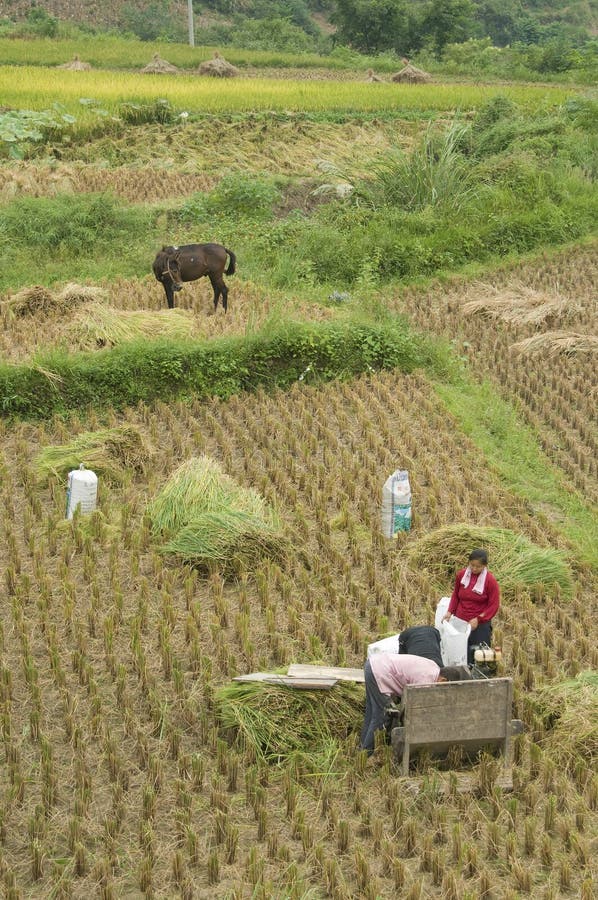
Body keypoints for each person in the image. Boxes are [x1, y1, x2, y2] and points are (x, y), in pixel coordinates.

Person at [360, 653, 465, 754]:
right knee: (382, 716)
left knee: (372, 713)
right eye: (446, 687)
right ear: (443, 680)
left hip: (374, 663)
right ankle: (366, 753)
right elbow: (415, 708)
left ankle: (362, 749)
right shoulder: (426, 680)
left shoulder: (434, 668)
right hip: (379, 671)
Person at [442, 548, 500, 665]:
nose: (474, 569)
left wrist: (479, 619)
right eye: (472, 565)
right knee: (461, 652)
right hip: (460, 620)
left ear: (484, 566)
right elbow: (456, 596)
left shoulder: (490, 581)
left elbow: (493, 605)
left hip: (479, 624)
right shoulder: (462, 575)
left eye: (478, 566)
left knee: (478, 653)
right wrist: (449, 612)